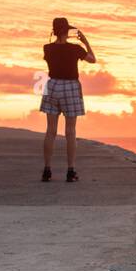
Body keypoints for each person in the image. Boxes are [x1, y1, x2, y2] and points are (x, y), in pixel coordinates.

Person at [40, 17, 95, 182]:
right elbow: (93, 59)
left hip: (52, 86)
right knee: (70, 132)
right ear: (67, 31)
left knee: (50, 131)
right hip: (70, 87)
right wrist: (85, 41)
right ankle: (70, 171)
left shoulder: (47, 48)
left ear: (55, 31)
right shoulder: (75, 49)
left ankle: (47, 170)